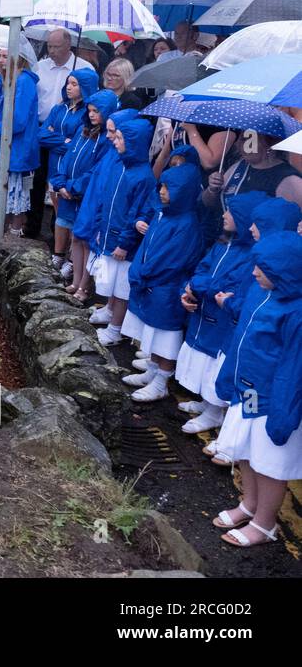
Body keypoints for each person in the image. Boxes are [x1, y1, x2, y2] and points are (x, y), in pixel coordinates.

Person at [210, 233, 302, 547]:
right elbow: (242, 341)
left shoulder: (296, 312)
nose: (254, 272)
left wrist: (282, 416)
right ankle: (249, 504)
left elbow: (293, 370)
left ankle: (264, 523)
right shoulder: (266, 294)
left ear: (285, 270)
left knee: (270, 465)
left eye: (263, 267)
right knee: (247, 452)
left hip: (275, 404)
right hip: (249, 393)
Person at [174, 191, 271, 434]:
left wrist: (196, 286)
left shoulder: (252, 257)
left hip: (222, 322)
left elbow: (229, 286)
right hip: (205, 313)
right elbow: (202, 269)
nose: (224, 215)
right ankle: (207, 404)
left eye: (231, 211)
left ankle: (214, 413)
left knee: (215, 367)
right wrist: (188, 289)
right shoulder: (223, 245)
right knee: (203, 363)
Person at [118, 162, 206, 402]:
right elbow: (146, 245)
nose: (162, 191)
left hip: (166, 288)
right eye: (162, 186)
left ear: (184, 192)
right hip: (151, 284)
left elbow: (172, 261)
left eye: (168, 187)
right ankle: (152, 370)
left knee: (166, 336)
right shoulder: (162, 214)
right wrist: (137, 270)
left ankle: (161, 382)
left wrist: (142, 273)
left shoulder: (187, 224)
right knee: (153, 332)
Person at [91, 115, 157, 347]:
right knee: (110, 283)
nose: (115, 142)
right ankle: (109, 312)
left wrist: (124, 243)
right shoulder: (121, 166)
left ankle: (115, 330)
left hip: (124, 246)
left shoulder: (143, 177)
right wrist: (100, 227)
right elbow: (107, 200)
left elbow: (137, 213)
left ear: (134, 143)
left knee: (121, 289)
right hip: (110, 235)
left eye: (120, 138)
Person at [55, 90, 120, 302]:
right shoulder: (82, 130)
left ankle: (84, 285)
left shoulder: (106, 140)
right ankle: (76, 281)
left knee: (85, 240)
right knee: (76, 236)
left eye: (96, 111)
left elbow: (95, 171)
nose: (91, 115)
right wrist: (60, 182)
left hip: (85, 196)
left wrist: (72, 187)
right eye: (90, 110)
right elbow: (67, 157)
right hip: (70, 192)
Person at [40, 66, 99, 270]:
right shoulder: (59, 108)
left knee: (72, 215)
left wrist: (57, 138)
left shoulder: (87, 112)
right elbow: (42, 135)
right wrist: (63, 140)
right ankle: (59, 255)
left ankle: (72, 260)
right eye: (68, 83)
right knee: (60, 214)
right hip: (54, 168)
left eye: (74, 84)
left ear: (85, 87)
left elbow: (76, 143)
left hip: (74, 171)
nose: (69, 87)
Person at [0, 51, 40, 235]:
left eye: (6, 56)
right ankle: (0, 237)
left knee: (15, 203)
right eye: (0, 56)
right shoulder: (6, 79)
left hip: (17, 151)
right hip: (3, 147)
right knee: (2, 200)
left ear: (19, 57)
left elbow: (18, 121)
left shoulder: (24, 81)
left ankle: (13, 240)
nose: (1, 60)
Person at [29, 28, 81, 240]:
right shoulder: (40, 66)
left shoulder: (82, 67)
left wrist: (64, 141)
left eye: (56, 46)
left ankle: (56, 233)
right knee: (36, 182)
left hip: (69, 129)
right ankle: (32, 229)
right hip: (43, 125)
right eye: (49, 46)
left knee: (59, 184)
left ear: (68, 45)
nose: (51, 50)